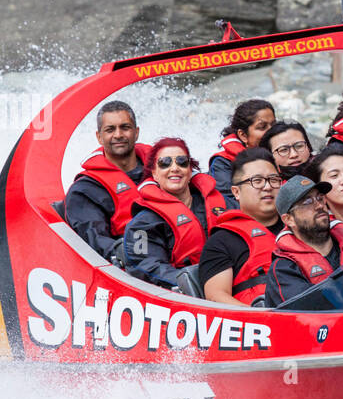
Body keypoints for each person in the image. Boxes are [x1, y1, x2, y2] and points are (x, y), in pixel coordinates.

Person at [124, 137, 230, 290]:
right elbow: (147, 267)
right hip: (185, 296)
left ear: (189, 169)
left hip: (232, 283)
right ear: (154, 173)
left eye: (182, 162)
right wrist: (194, 283)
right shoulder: (142, 224)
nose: (175, 168)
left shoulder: (222, 204)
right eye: (164, 163)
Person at [64, 100, 152, 263]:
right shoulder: (84, 190)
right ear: (99, 137)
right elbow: (96, 242)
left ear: (136, 132)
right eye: (110, 130)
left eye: (125, 127)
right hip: (133, 267)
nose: (118, 135)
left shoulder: (165, 169)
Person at [198, 148, 285, 306]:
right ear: (236, 192)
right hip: (262, 323)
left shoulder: (299, 226)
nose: (267, 187)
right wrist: (265, 318)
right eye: (257, 181)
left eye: (273, 179)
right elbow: (215, 296)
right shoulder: (220, 242)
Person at [264, 176, 343, 307]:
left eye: (320, 198)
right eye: (307, 202)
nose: (319, 206)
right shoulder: (283, 269)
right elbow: (307, 310)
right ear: (289, 219)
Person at [209, 99, 276, 197]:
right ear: (243, 135)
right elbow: (228, 200)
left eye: (274, 125)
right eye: (262, 127)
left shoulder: (286, 153)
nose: (272, 131)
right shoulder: (223, 164)